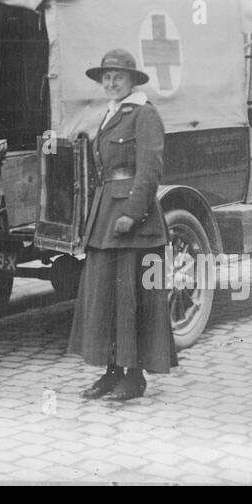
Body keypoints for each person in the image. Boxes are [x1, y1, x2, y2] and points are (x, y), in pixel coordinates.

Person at [68, 48, 176, 399]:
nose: (111, 83)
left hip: (135, 224)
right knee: (108, 298)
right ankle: (112, 371)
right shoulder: (110, 114)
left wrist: (132, 212)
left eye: (119, 77)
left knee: (132, 299)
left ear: (132, 81)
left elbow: (150, 169)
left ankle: (135, 376)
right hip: (105, 219)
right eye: (107, 78)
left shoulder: (144, 114)